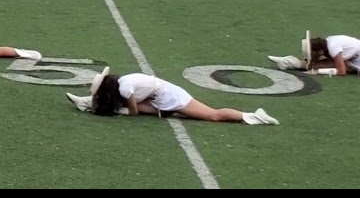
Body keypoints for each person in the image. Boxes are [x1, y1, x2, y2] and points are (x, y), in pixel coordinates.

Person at [67, 67, 279, 125]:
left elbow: (133, 112)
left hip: (170, 98)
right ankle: (86, 103)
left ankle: (253, 116)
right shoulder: (122, 83)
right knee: (116, 106)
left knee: (212, 115)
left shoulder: (124, 89)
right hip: (158, 97)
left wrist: (121, 111)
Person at [269, 31, 360, 76]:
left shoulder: (333, 47)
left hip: (357, 59)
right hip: (353, 57)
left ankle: (288, 62)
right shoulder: (329, 43)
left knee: (341, 67)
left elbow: (342, 71)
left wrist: (318, 71)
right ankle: (287, 62)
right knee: (320, 64)